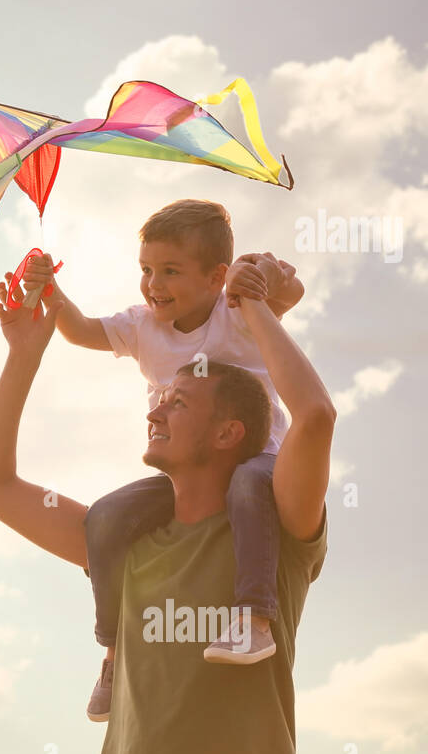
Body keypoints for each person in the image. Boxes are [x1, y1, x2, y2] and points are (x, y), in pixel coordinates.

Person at [0, 255, 334, 754]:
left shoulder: (274, 534)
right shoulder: (125, 544)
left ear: (230, 432)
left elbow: (316, 416)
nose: (154, 413)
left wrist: (251, 302)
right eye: (161, 398)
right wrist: (24, 355)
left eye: (177, 403)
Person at [21, 199, 305, 723]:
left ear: (216, 276)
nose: (154, 283)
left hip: (257, 459)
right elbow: (81, 330)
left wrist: (259, 273)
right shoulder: (140, 327)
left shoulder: (237, 311)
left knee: (248, 489)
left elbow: (291, 286)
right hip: (187, 476)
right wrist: (50, 291)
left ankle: (255, 621)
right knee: (105, 516)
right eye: (147, 270)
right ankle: (112, 652)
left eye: (171, 271)